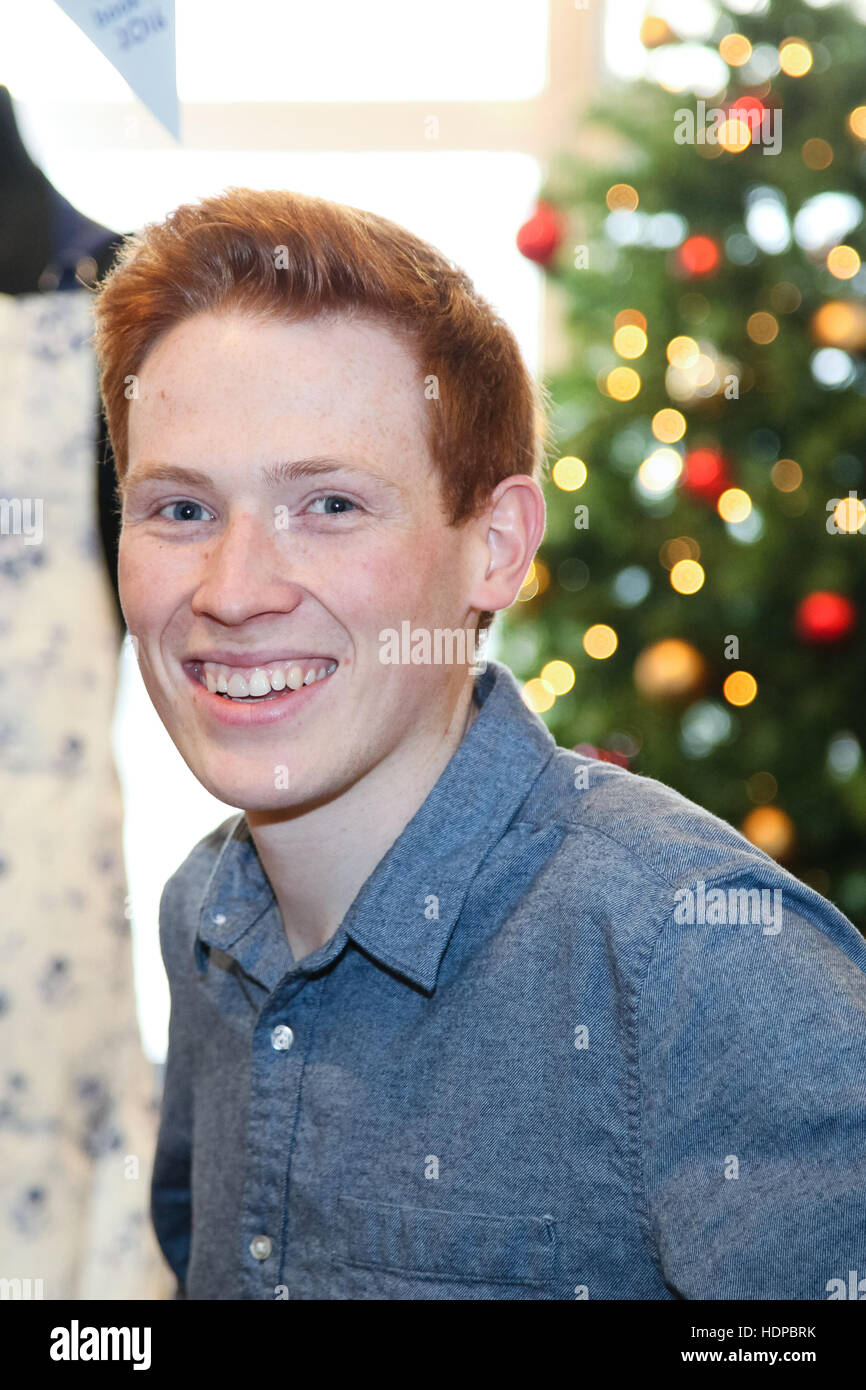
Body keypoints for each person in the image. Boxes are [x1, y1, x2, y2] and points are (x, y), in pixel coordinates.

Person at [91, 187, 866, 1301]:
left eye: (330, 505)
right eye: (179, 511)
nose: (234, 591)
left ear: (494, 546)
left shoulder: (696, 965)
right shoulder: (204, 918)